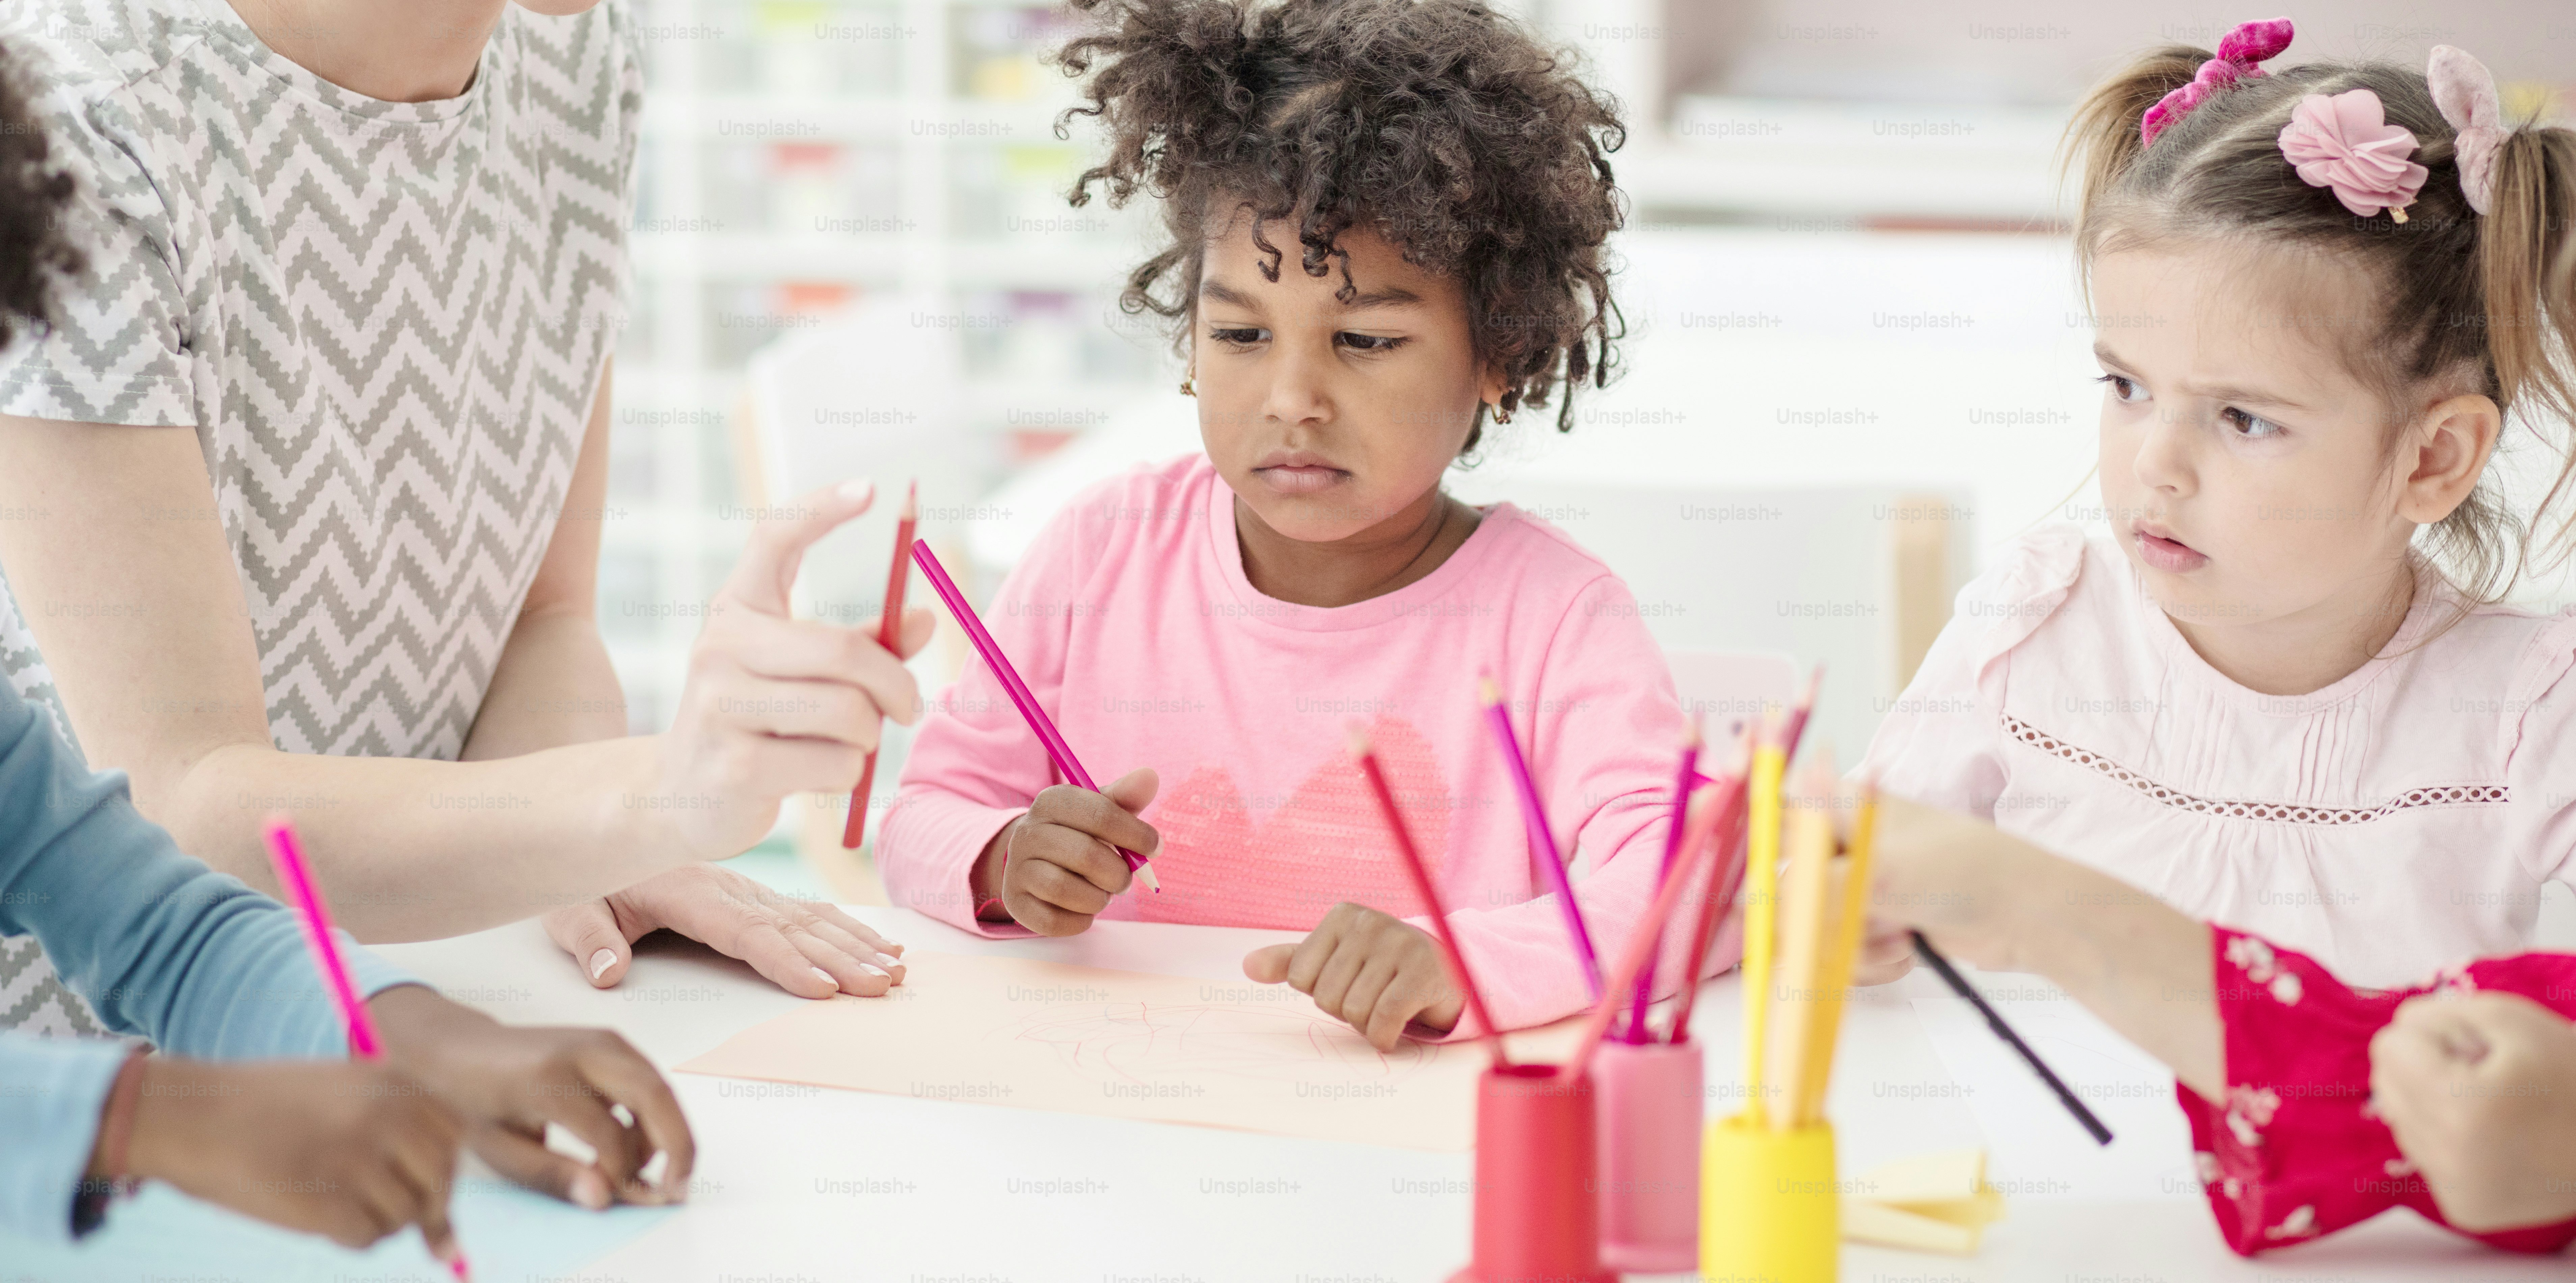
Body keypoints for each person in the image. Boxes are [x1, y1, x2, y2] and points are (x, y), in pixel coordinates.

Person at [0, 0, 928, 1035]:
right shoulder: (81, 108)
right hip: (100, 1076)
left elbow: (543, 623)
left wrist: (606, 847)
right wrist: (653, 793)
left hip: (393, 1013)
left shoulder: (576, 58)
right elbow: (186, 816)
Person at [876, 0, 1713, 1046]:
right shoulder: (1103, 552)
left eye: (1364, 341)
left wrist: (1467, 966)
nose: (1291, 400)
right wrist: (1002, 858)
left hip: (1407, 1128)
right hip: (1120, 1101)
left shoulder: (1554, 619)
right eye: (1240, 333)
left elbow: (1693, 883)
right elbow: (923, 813)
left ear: (1499, 353)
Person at [1857, 20, 2576, 991]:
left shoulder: (2527, 713)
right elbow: (1840, 878)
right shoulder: (2034, 629)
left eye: (2244, 418)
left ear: (2433, 457)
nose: (2156, 466)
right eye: (2127, 387)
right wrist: (1840, 916)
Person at [1867, 792, 2576, 1254]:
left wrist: (2031, 909)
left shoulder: (2538, 689)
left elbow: (2443, 1083)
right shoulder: (2016, 641)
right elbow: (1866, 873)